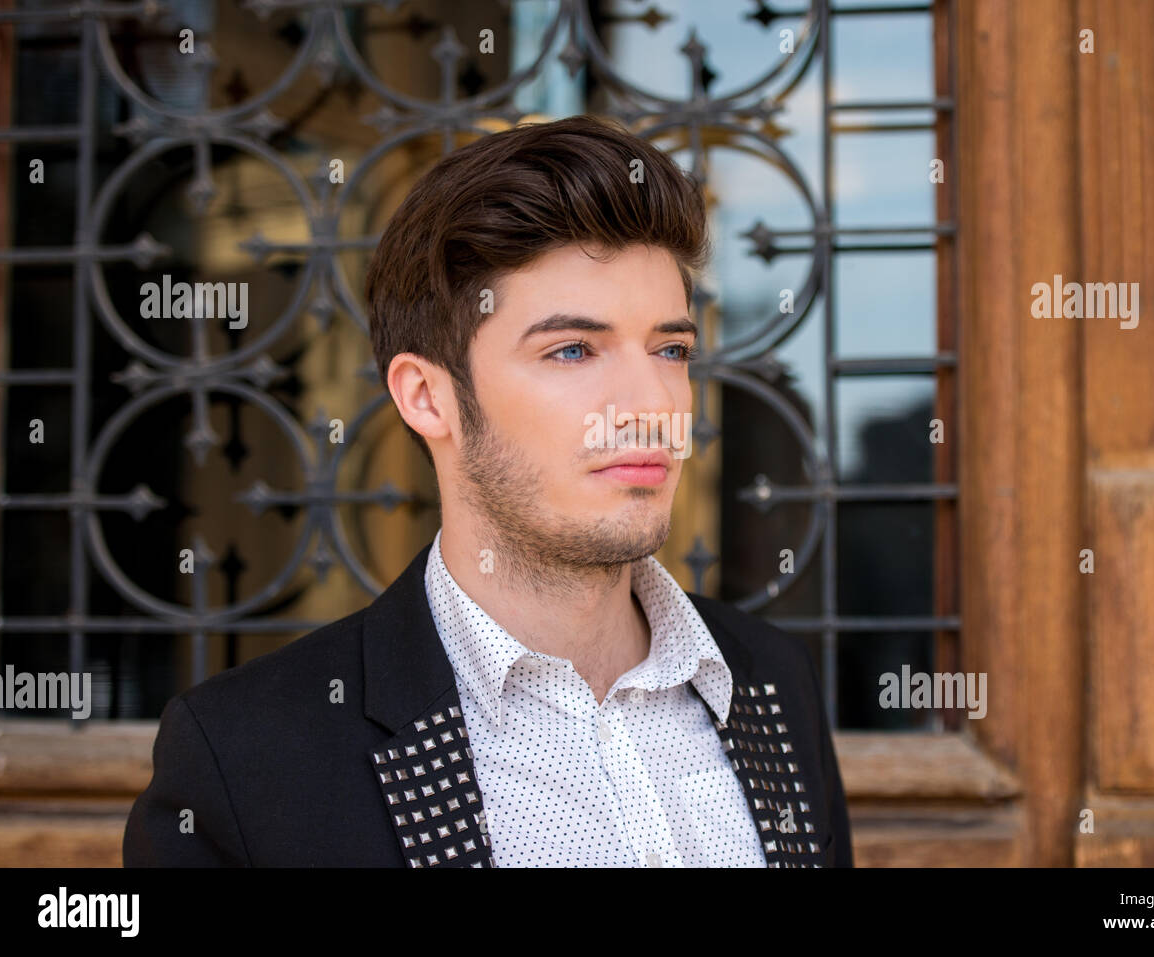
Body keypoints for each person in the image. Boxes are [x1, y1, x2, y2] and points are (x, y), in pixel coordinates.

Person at [123, 114, 853, 867]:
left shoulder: (770, 685)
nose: (650, 404)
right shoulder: (247, 760)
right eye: (572, 349)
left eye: (670, 348)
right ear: (427, 397)